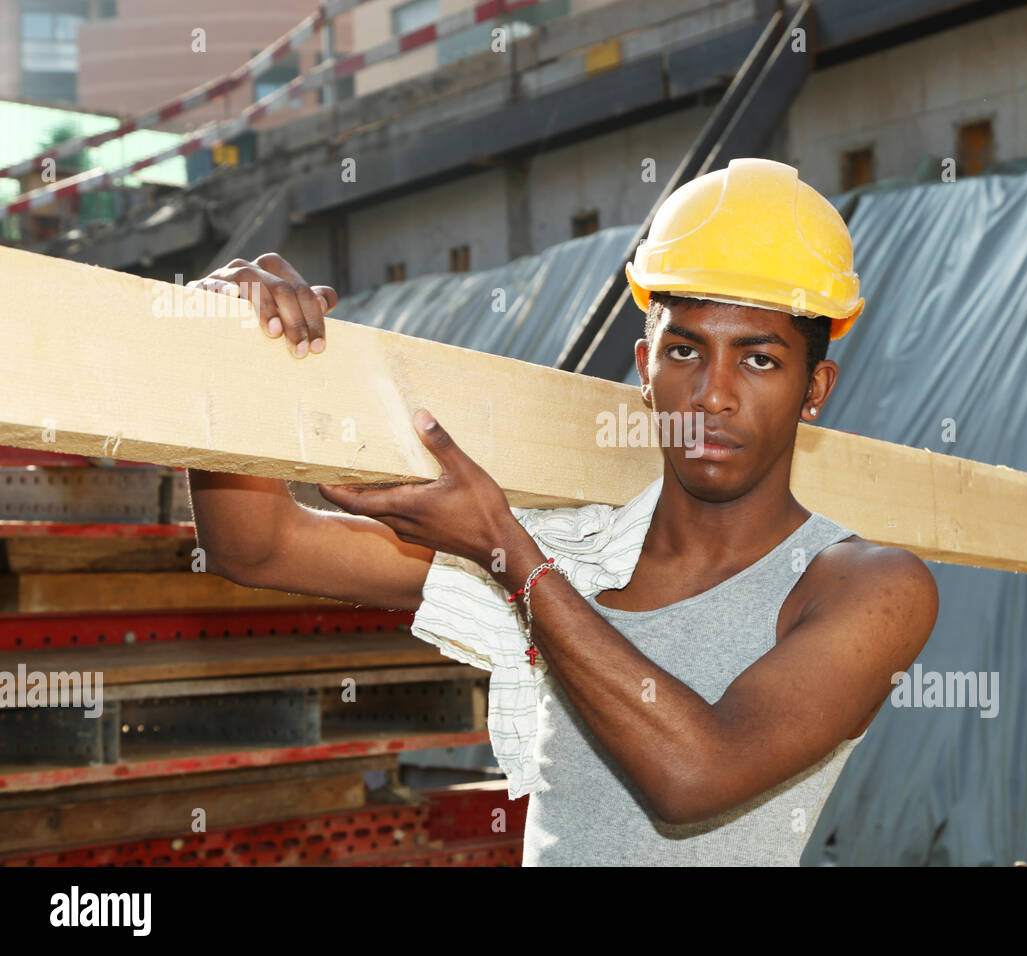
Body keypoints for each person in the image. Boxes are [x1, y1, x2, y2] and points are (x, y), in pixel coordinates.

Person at [187, 157, 938, 865]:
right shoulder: (573, 551)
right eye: (684, 352)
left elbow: (694, 778)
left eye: (759, 359)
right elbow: (258, 547)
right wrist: (234, 357)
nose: (713, 393)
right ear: (645, 371)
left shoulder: (866, 586)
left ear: (816, 388)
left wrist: (507, 554)